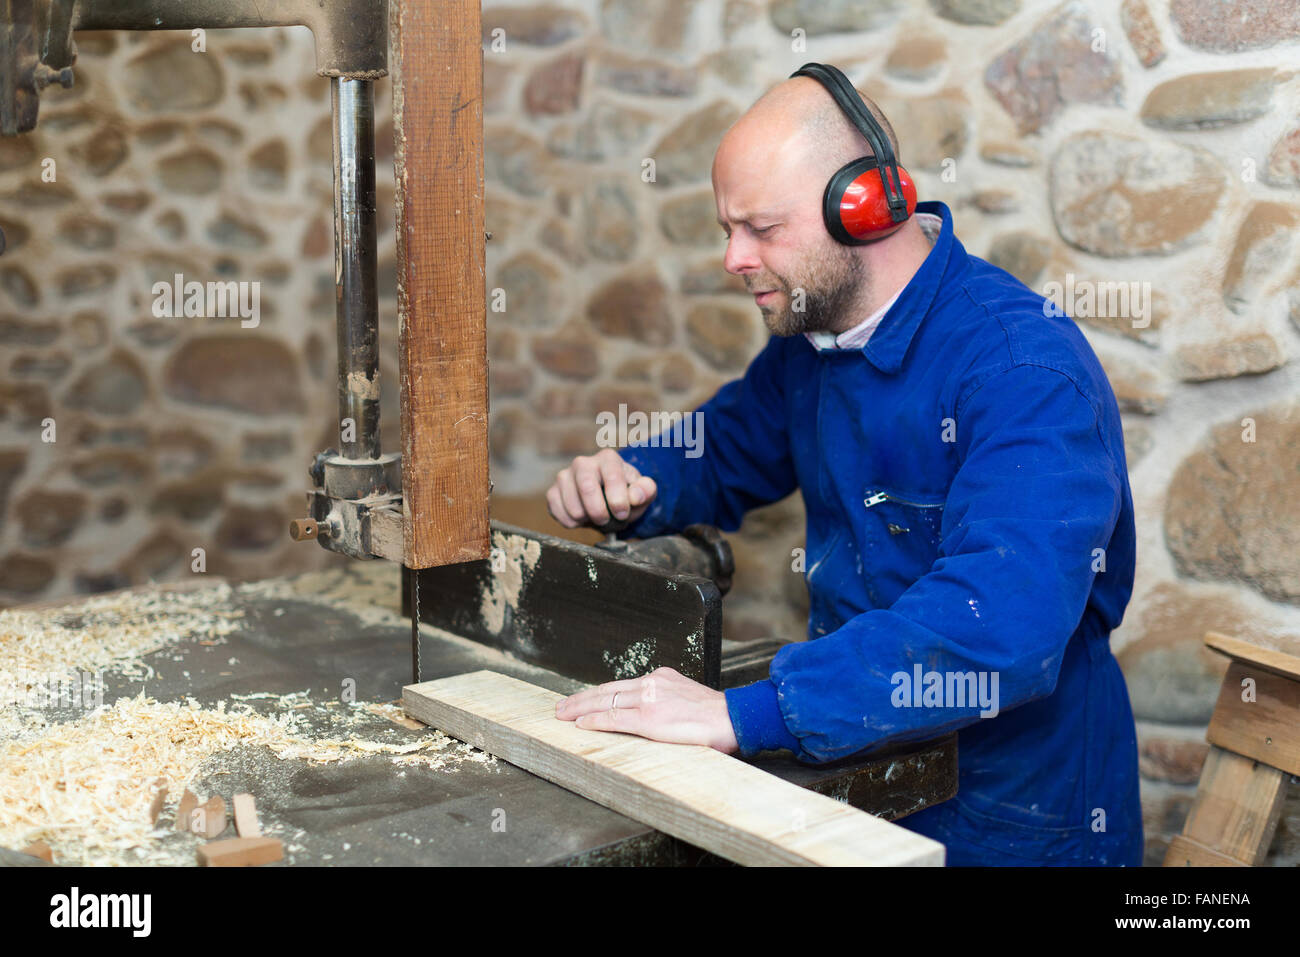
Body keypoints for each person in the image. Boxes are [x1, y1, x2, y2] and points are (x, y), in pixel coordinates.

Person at [545, 63, 1142, 866]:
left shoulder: (1021, 371)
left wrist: (740, 716)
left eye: (761, 228)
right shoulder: (815, 341)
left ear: (866, 208)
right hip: (861, 772)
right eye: (727, 228)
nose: (733, 258)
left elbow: (999, 625)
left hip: (1009, 814)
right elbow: (724, 448)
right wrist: (630, 478)